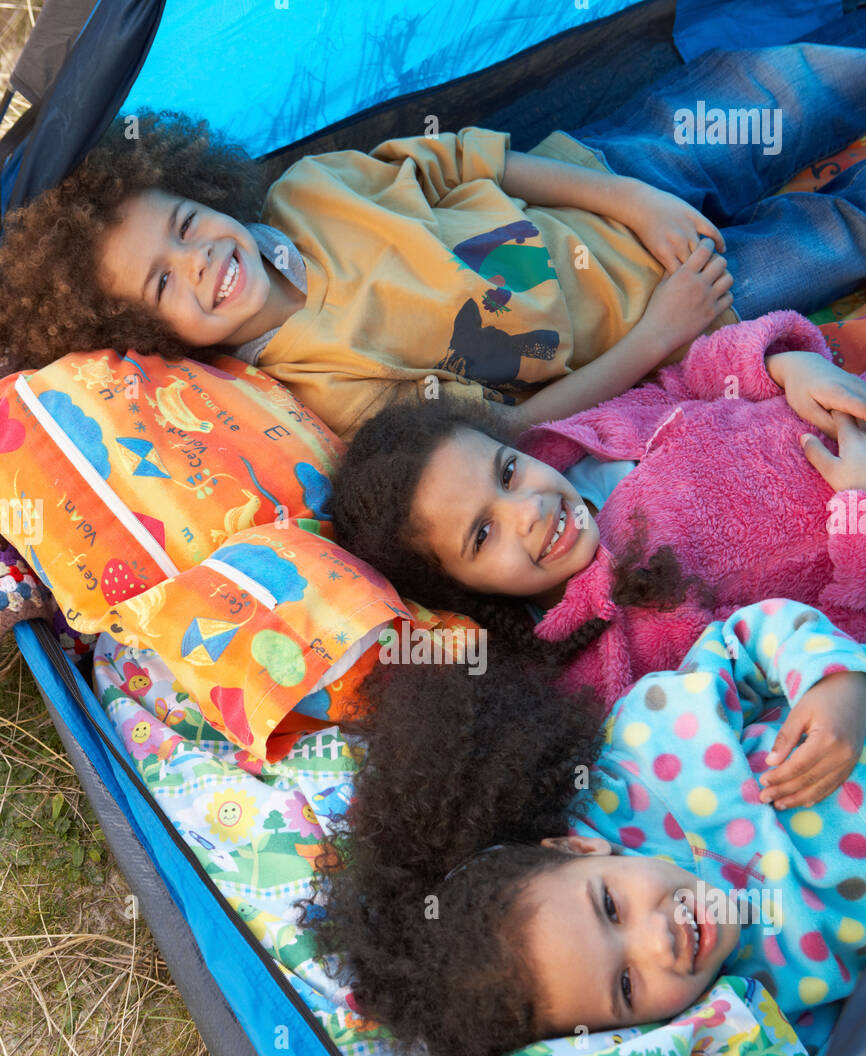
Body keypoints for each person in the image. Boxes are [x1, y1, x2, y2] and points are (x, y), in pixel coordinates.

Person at [1, 42, 865, 438]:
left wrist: (633, 196)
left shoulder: (312, 190)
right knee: (835, 240)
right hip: (676, 310)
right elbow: (507, 427)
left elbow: (464, 160)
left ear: (200, 189)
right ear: (154, 337)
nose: (201, 262)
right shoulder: (324, 383)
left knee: (782, 87)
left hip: (610, 177)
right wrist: (660, 338)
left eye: (186, 225)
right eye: (162, 285)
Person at [306, 597, 866, 1056]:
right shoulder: (747, 1015)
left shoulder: (643, 759)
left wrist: (836, 684)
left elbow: (744, 640)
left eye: (612, 908)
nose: (658, 943)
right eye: (626, 986)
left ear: (578, 848)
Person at [332, 310, 866, 705]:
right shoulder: (628, 645)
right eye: (482, 535)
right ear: (462, 591)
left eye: (508, 472)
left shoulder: (586, 440)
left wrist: (787, 367)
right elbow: (825, 643)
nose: (529, 510)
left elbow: (687, 379)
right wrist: (856, 507)